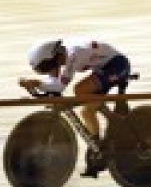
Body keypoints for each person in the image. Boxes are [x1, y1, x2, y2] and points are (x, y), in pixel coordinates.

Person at [20, 38, 132, 177]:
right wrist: (39, 85)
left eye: (48, 68)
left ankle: (115, 121)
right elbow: (54, 81)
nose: (50, 71)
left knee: (80, 90)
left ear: (55, 58)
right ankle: (98, 147)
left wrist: (37, 84)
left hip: (118, 66)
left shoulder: (73, 54)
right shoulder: (60, 56)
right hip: (105, 68)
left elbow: (60, 86)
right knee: (86, 112)